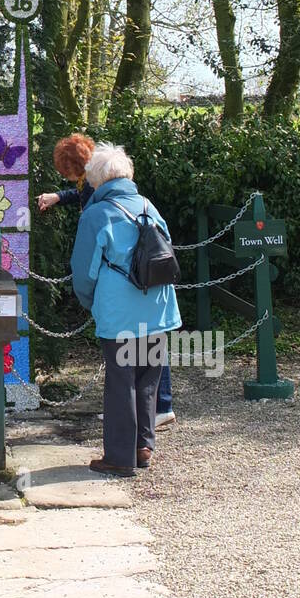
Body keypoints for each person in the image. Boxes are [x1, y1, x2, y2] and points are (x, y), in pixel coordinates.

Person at [70, 142, 182, 477]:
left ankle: (119, 457)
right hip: (159, 307)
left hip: (119, 313)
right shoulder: (149, 206)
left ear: (97, 180)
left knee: (121, 381)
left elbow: (83, 271)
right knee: (148, 378)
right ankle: (143, 447)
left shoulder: (96, 214)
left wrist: (92, 303)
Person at [37, 132, 96, 214]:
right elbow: (81, 192)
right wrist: (58, 196)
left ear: (74, 166)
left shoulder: (95, 183)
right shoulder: (90, 177)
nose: (64, 174)